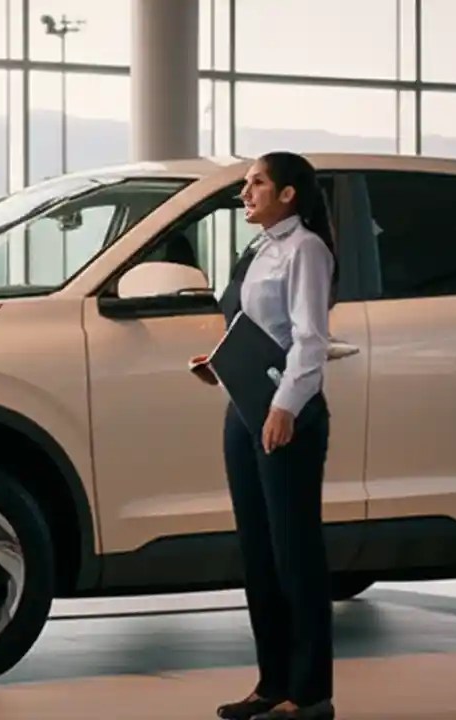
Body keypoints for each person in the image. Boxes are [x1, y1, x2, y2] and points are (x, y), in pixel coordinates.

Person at [193, 152, 337, 720]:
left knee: (294, 552)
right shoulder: (258, 248)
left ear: (288, 194)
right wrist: (222, 363)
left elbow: (310, 341)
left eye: (257, 183)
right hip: (244, 407)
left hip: (286, 413)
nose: (245, 192)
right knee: (258, 553)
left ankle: (309, 694)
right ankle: (272, 681)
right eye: (246, 182)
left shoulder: (306, 250)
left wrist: (285, 408)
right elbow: (254, 328)